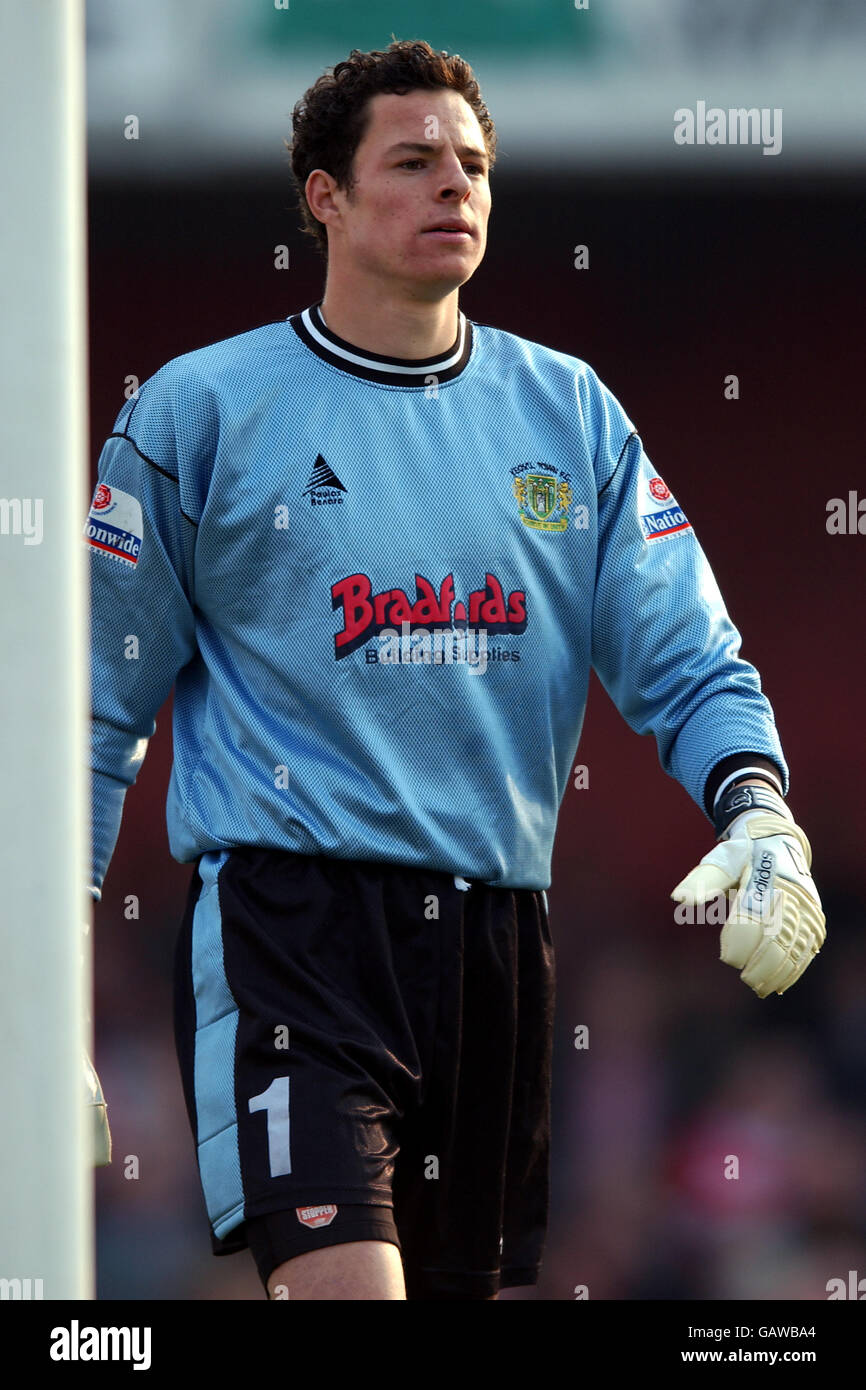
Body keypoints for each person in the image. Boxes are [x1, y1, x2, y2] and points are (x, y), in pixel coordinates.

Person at [85, 39, 825, 1301]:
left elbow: (686, 657)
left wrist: (756, 806)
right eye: (414, 161)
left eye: (472, 165)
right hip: (290, 931)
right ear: (322, 195)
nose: (454, 188)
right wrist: (38, 969)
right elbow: (91, 711)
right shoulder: (198, 415)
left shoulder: (571, 414)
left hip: (495, 941)